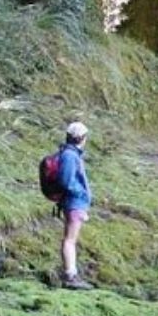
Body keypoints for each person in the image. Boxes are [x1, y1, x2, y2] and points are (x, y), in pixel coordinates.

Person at [57, 121, 94, 290]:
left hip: (74, 203)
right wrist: (80, 194)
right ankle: (70, 275)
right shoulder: (70, 156)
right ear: (81, 138)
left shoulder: (70, 154)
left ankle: (71, 273)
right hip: (74, 203)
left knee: (70, 239)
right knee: (70, 240)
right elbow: (66, 181)